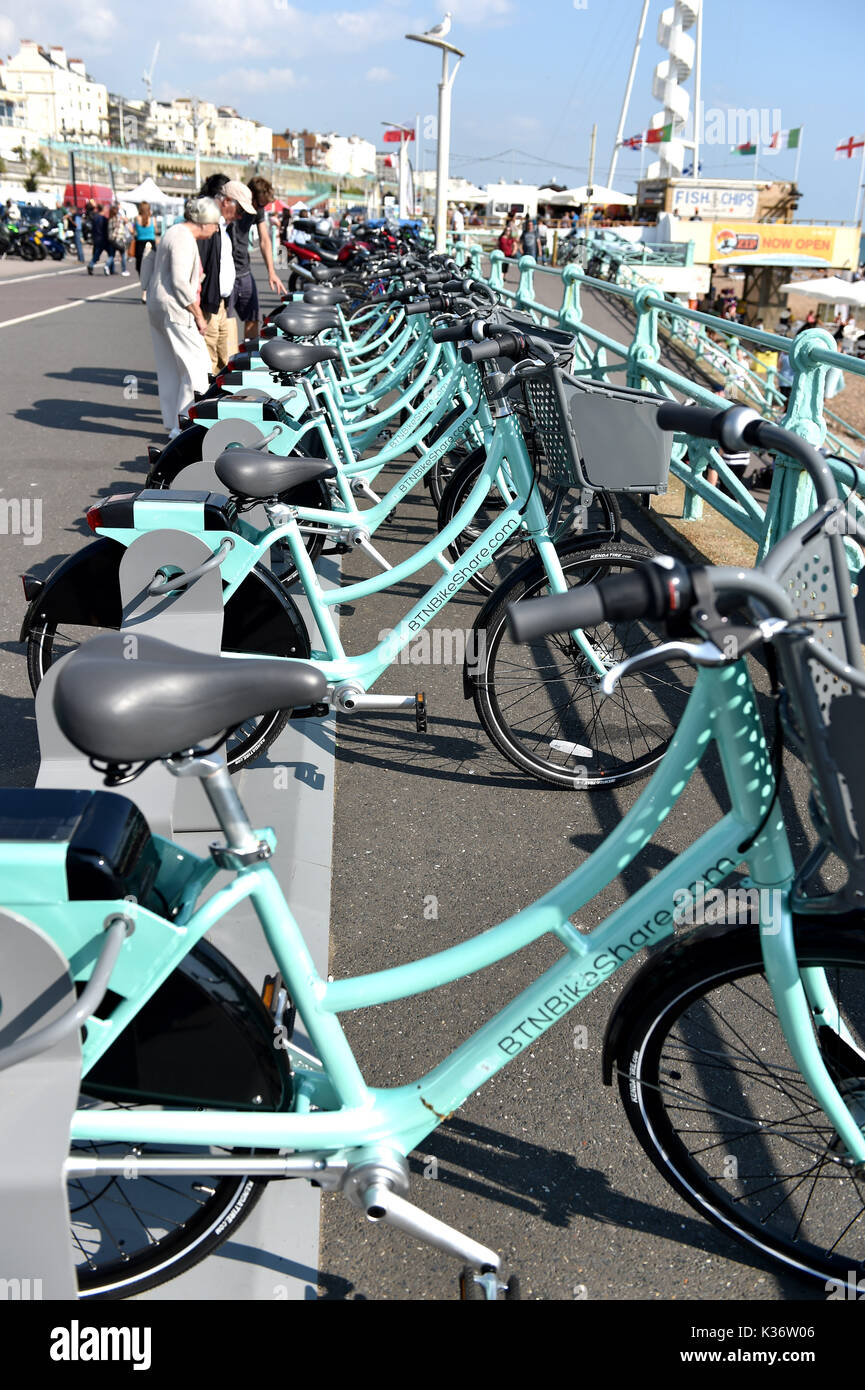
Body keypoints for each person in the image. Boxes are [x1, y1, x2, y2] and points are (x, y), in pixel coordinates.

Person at [146, 195, 220, 437]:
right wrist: (198, 314)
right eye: (215, 223)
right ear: (204, 222)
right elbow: (179, 281)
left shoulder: (173, 231)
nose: (216, 228)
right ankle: (185, 424)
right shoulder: (184, 238)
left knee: (170, 367)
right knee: (197, 367)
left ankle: (174, 423)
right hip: (175, 308)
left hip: (158, 305)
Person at [227, 176, 286, 341]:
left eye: (263, 206)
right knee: (225, 322)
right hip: (226, 272)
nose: (260, 208)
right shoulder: (231, 207)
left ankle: (246, 359)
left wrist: (272, 272)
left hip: (244, 271)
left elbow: (265, 240)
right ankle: (224, 364)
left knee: (253, 317)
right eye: (259, 204)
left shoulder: (257, 210)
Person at [197, 174, 239, 373]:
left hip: (220, 301)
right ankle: (207, 400)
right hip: (209, 301)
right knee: (209, 355)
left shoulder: (221, 226)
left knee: (222, 354)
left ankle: (219, 396)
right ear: (224, 200)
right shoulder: (208, 226)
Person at [133, 201, 157, 299]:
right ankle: (149, 289)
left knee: (140, 268)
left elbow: (134, 231)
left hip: (140, 244)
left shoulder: (137, 218)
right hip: (151, 243)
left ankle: (144, 291)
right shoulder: (153, 219)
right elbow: (155, 231)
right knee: (152, 267)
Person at [105, 204, 131, 276]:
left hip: (111, 239)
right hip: (119, 239)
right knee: (122, 254)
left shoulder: (110, 219)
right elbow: (126, 221)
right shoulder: (118, 218)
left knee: (112, 255)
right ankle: (124, 270)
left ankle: (107, 266)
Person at [86, 203, 108, 274]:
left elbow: (92, 228)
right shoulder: (104, 219)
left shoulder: (95, 217)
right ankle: (109, 267)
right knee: (110, 254)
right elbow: (105, 229)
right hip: (103, 238)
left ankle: (91, 264)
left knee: (97, 253)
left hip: (96, 237)